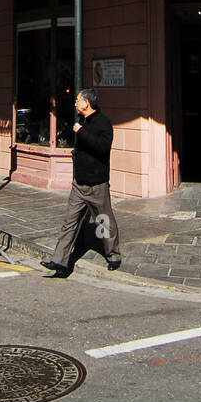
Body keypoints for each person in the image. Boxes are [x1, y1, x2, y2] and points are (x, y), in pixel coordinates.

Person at [41, 88, 121, 277]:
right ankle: (59, 260)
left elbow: (102, 147)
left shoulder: (103, 123)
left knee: (104, 221)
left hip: (97, 184)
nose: (75, 103)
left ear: (87, 103)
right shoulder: (83, 122)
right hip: (79, 184)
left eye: (78, 100)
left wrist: (82, 132)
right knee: (69, 221)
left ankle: (113, 255)